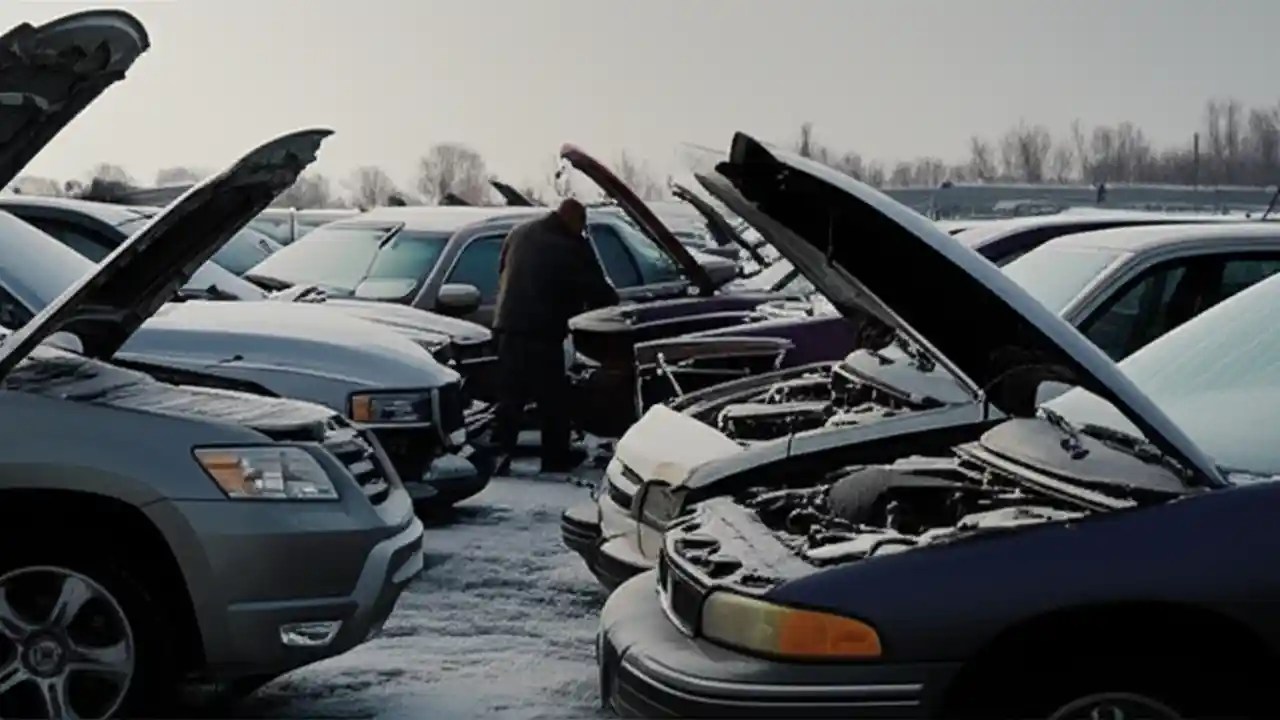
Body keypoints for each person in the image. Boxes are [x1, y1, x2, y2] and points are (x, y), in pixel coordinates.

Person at [490, 198, 619, 475]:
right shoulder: (571, 246)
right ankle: (555, 457)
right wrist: (609, 311)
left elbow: (502, 271)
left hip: (508, 326)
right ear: (575, 221)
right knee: (553, 399)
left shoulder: (519, 232)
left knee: (510, 397)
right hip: (542, 331)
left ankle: (499, 454)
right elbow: (597, 290)